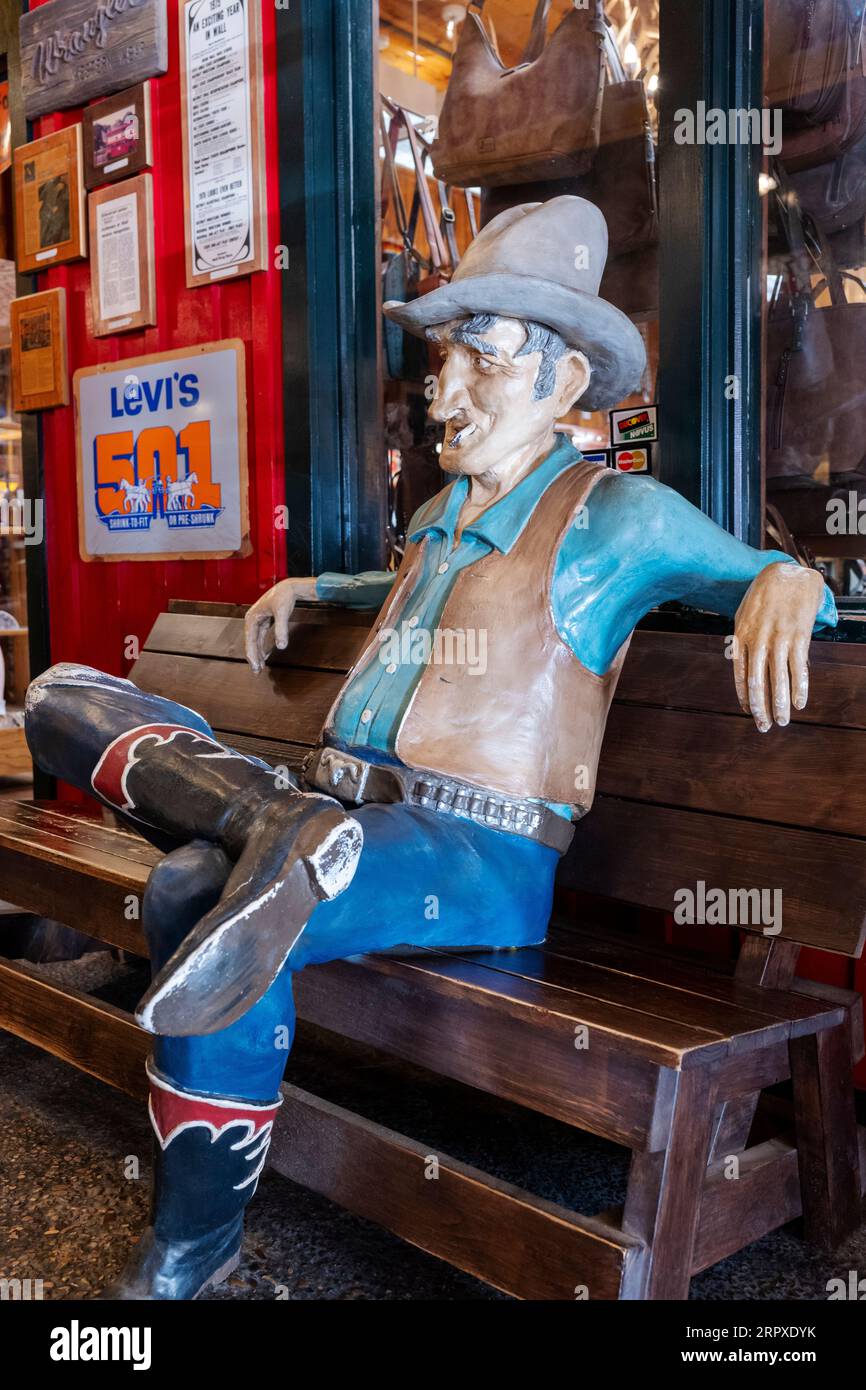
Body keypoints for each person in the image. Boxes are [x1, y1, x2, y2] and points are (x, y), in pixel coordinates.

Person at [25, 198, 835, 1300]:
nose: (440, 389)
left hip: (474, 852)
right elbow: (405, 599)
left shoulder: (618, 518)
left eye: (481, 362)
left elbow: (757, 569)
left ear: (560, 386)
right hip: (338, 811)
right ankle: (267, 824)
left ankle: (192, 1238)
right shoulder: (440, 514)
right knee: (65, 699)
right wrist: (321, 587)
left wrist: (793, 583)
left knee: (215, 881)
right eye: (442, 355)